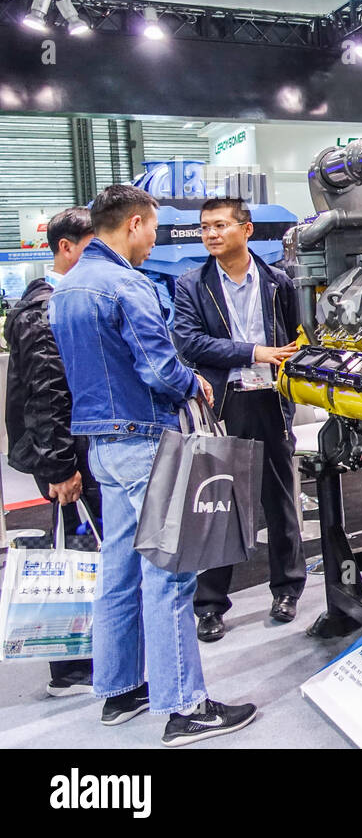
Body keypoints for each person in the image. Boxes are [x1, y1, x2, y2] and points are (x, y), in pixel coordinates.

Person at [49, 184, 256, 746]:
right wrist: (194, 383)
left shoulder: (67, 289)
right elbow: (160, 370)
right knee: (169, 573)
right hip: (143, 441)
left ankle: (120, 691)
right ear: (136, 223)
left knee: (118, 569)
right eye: (153, 229)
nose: (153, 241)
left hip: (103, 449)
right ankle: (185, 706)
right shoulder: (125, 284)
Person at [173, 198, 303, 641]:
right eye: (205, 226)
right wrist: (252, 352)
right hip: (224, 404)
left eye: (220, 225)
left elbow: (295, 336)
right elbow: (189, 343)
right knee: (217, 503)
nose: (210, 233)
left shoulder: (277, 282)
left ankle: (287, 589)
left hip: (270, 400)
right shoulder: (191, 285)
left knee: (279, 500)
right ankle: (209, 605)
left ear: (246, 230)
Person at [3, 208, 102, 697]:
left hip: (75, 451)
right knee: (76, 556)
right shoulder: (44, 307)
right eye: (92, 244)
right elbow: (46, 393)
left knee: (86, 552)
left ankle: (88, 654)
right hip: (68, 458)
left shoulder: (60, 300)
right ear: (67, 247)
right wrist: (61, 466)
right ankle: (69, 668)